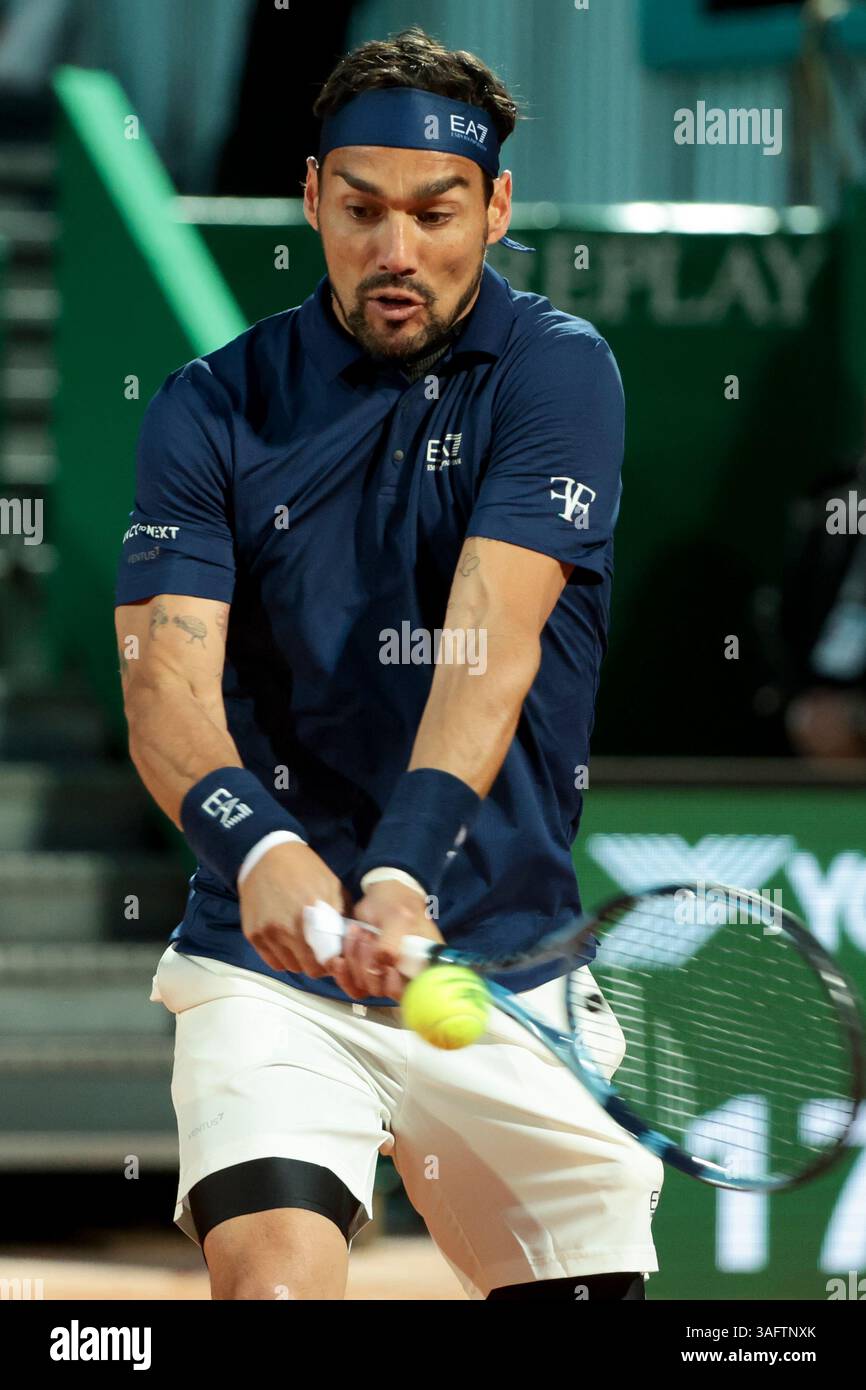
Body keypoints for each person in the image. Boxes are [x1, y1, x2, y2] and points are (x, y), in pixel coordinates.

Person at [114, 25, 662, 1301]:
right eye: (360, 210)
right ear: (311, 197)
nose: (395, 251)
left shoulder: (558, 373)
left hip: (500, 974)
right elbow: (164, 688)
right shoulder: (210, 406)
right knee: (276, 1290)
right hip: (272, 974)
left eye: (436, 211)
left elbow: (488, 644)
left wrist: (402, 871)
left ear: (497, 206)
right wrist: (256, 844)